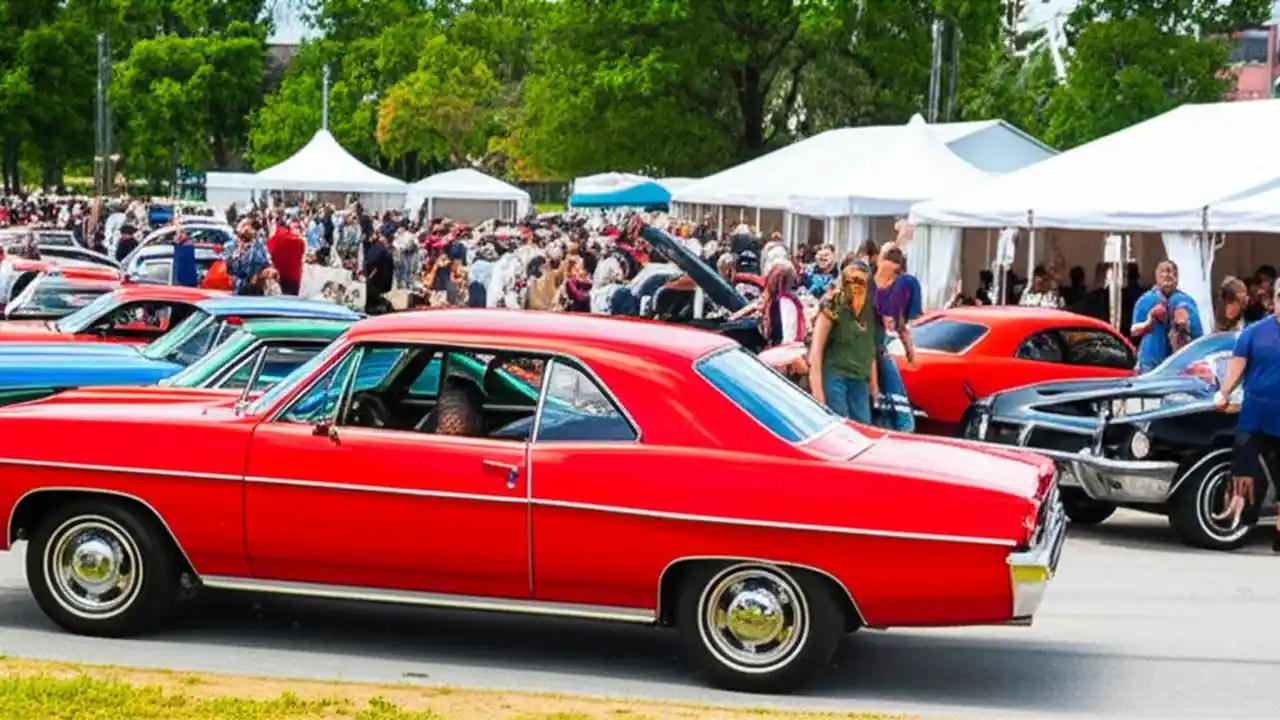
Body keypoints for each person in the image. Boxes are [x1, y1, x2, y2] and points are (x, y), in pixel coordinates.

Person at [1213, 283, 1280, 548]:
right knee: (1244, 465)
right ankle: (1243, 515)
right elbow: (1236, 368)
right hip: (1255, 415)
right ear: (1273, 301)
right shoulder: (1253, 333)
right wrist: (1224, 392)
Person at [808, 257, 878, 423]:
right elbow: (816, 352)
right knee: (842, 431)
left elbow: (869, 348)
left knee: (863, 431)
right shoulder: (833, 305)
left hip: (858, 380)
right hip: (835, 377)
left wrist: (874, 387)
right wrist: (818, 397)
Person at [871, 246, 917, 431]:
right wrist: (910, 352)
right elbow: (898, 324)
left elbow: (897, 323)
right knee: (896, 406)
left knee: (883, 402)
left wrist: (909, 351)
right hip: (876, 351)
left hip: (873, 351)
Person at [1131, 260, 1203, 373]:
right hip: (1150, 363)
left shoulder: (1186, 301)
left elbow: (1198, 335)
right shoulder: (1145, 300)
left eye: (1170, 276)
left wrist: (1185, 325)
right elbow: (1134, 331)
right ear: (1156, 278)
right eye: (1163, 275)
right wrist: (1149, 321)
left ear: (1177, 278)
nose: (1167, 280)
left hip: (1179, 363)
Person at [267, 220, 305, 295]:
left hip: (279, 276)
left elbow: (268, 251)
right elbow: (302, 250)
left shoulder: (275, 239)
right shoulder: (299, 241)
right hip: (294, 276)